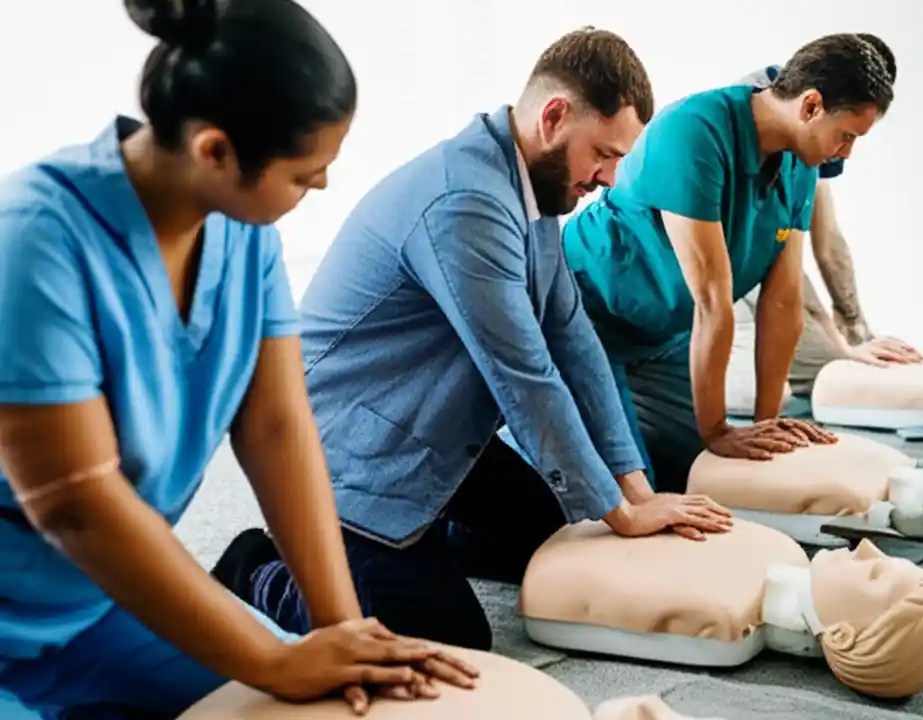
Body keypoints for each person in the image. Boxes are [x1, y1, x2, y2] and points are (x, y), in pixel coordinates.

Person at [0, 2, 478, 718]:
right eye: (304, 172)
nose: (319, 187)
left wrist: (342, 627)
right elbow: (78, 506)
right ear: (215, 151)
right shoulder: (36, 240)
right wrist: (273, 660)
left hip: (106, 600)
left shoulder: (241, 231)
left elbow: (276, 427)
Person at [212, 27, 734, 654]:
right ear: (554, 116)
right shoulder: (467, 200)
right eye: (604, 153)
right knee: (448, 637)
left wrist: (636, 489)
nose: (609, 177)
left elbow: (572, 338)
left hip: (425, 422)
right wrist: (619, 512)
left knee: (549, 529)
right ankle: (260, 568)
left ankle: (410, 548)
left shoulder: (530, 188)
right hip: (348, 445)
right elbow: (525, 372)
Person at [561, 33, 897, 492]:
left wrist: (767, 422)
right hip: (587, 319)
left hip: (664, 336)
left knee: (703, 475)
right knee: (632, 492)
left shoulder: (801, 165)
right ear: (811, 105)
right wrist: (717, 428)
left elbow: (783, 302)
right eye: (847, 136)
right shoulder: (694, 131)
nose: (847, 152)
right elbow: (712, 300)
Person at [731, 47, 923, 403]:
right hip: (733, 268)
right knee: (826, 371)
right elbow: (777, 263)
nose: (847, 151)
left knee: (847, 356)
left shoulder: (817, 131)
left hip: (762, 261)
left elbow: (826, 238)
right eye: (848, 135)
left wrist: (855, 328)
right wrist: (842, 348)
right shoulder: (773, 116)